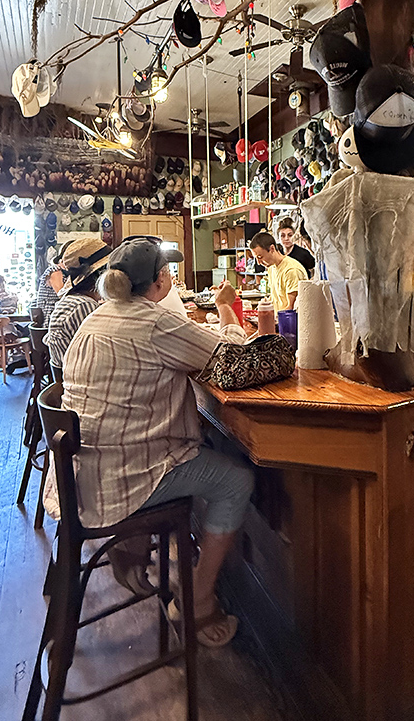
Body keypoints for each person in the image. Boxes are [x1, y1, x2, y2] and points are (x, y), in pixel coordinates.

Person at [62, 237, 254, 648]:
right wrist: (225, 308)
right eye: (167, 271)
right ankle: (197, 603)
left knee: (199, 451)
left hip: (82, 478)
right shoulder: (155, 322)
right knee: (236, 481)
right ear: (161, 281)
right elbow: (231, 356)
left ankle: (131, 551)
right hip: (122, 480)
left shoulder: (95, 318)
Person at [45, 239, 112, 379]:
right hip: (80, 385)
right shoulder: (83, 306)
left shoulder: (75, 301)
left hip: (69, 381)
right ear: (101, 274)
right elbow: (99, 359)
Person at [249, 230, 308, 314]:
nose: (258, 262)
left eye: (260, 257)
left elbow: (290, 308)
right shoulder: (271, 267)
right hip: (278, 319)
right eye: (256, 258)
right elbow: (275, 298)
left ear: (272, 248)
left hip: (289, 321)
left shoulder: (291, 270)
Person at [30, 242, 72, 326]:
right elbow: (62, 295)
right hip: (51, 319)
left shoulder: (66, 272)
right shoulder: (55, 270)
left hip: (61, 315)